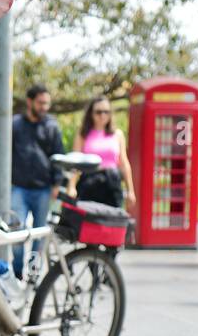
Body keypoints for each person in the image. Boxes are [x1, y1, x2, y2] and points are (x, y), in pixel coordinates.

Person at [10, 84, 64, 277]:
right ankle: (16, 271)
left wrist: (57, 184)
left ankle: (33, 272)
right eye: (41, 103)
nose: (44, 107)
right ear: (30, 101)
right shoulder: (15, 124)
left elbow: (58, 155)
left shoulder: (51, 126)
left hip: (43, 190)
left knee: (39, 235)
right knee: (16, 231)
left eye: (47, 103)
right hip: (18, 188)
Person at [72, 97, 136, 209]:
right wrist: (71, 186)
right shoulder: (83, 133)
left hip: (112, 182)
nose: (102, 115)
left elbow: (124, 163)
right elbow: (75, 162)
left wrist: (130, 190)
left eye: (106, 112)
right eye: (98, 112)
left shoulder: (117, 134)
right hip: (89, 182)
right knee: (88, 222)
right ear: (91, 113)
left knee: (111, 222)